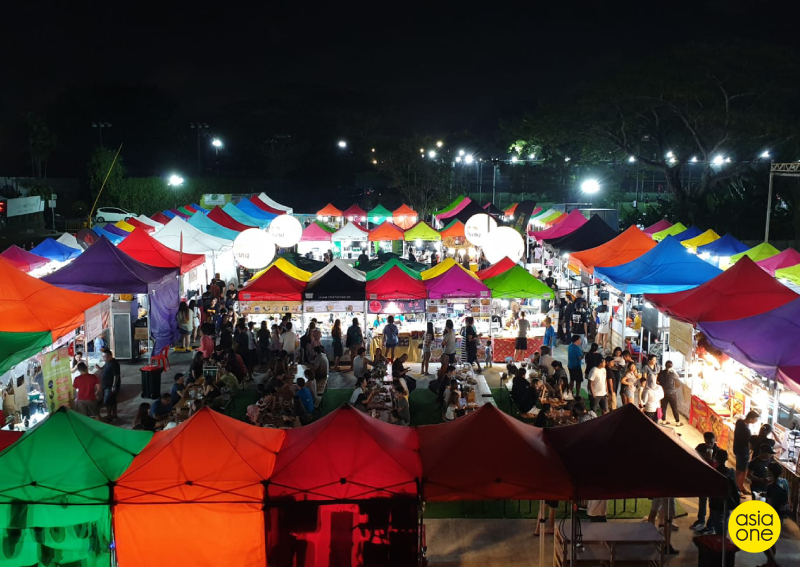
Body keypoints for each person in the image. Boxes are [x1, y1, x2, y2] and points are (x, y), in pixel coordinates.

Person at [707, 449, 739, 536]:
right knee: (725, 521)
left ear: (715, 458)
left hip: (717, 503)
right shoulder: (731, 472)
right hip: (728, 501)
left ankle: (721, 539)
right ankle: (723, 538)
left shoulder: (715, 472)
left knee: (717, 522)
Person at [763, 461, 790, 566]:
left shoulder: (771, 487)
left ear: (770, 472)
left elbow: (769, 504)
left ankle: (772, 563)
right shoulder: (784, 482)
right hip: (780, 515)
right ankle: (770, 563)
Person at [734, 410, 760, 493]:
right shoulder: (746, 430)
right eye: (755, 419)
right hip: (743, 452)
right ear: (750, 419)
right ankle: (740, 488)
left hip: (737, 449)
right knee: (742, 470)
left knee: (738, 469)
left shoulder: (739, 422)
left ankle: (736, 486)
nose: (756, 421)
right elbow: (748, 442)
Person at [657, 360, 682, 426]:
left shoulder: (661, 373)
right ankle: (677, 422)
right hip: (671, 393)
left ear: (665, 365)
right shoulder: (672, 373)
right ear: (672, 366)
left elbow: (658, 381)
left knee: (663, 407)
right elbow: (677, 377)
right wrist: (673, 370)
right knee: (674, 408)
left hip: (663, 393)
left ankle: (664, 421)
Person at [100, 350, 121, 422]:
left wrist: (114, 385)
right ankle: (114, 414)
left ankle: (109, 415)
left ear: (109, 356)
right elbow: (104, 369)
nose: (103, 358)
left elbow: (116, 375)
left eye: (104, 356)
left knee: (107, 401)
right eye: (102, 356)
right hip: (106, 385)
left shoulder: (114, 364)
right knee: (112, 400)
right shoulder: (107, 362)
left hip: (110, 386)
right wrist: (99, 368)